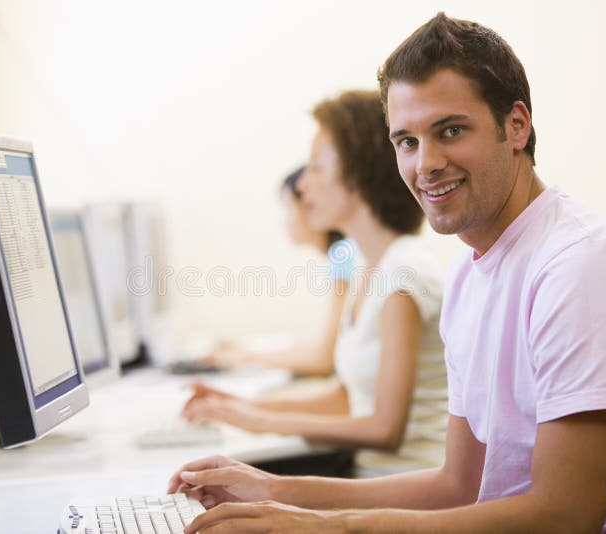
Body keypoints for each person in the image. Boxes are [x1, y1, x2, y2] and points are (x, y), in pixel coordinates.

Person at [167, 13, 606, 532]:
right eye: (407, 142)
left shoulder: (580, 268)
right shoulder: (468, 277)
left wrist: (323, 525)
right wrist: (277, 492)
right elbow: (457, 486)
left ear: (516, 125)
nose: (426, 163)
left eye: (450, 131)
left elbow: (566, 516)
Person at [184, 90, 447, 475]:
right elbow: (347, 397)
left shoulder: (404, 274)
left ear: (358, 175)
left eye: (317, 169)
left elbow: (385, 429)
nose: (304, 185)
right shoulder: (368, 268)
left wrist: (262, 422)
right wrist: (237, 405)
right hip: (372, 483)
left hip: (408, 493)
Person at [204, 165, 358, 377]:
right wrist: (246, 350)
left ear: (310, 205)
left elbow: (325, 358)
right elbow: (328, 346)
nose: (284, 220)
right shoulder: (345, 252)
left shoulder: (343, 255)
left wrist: (246, 357)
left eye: (287, 207)